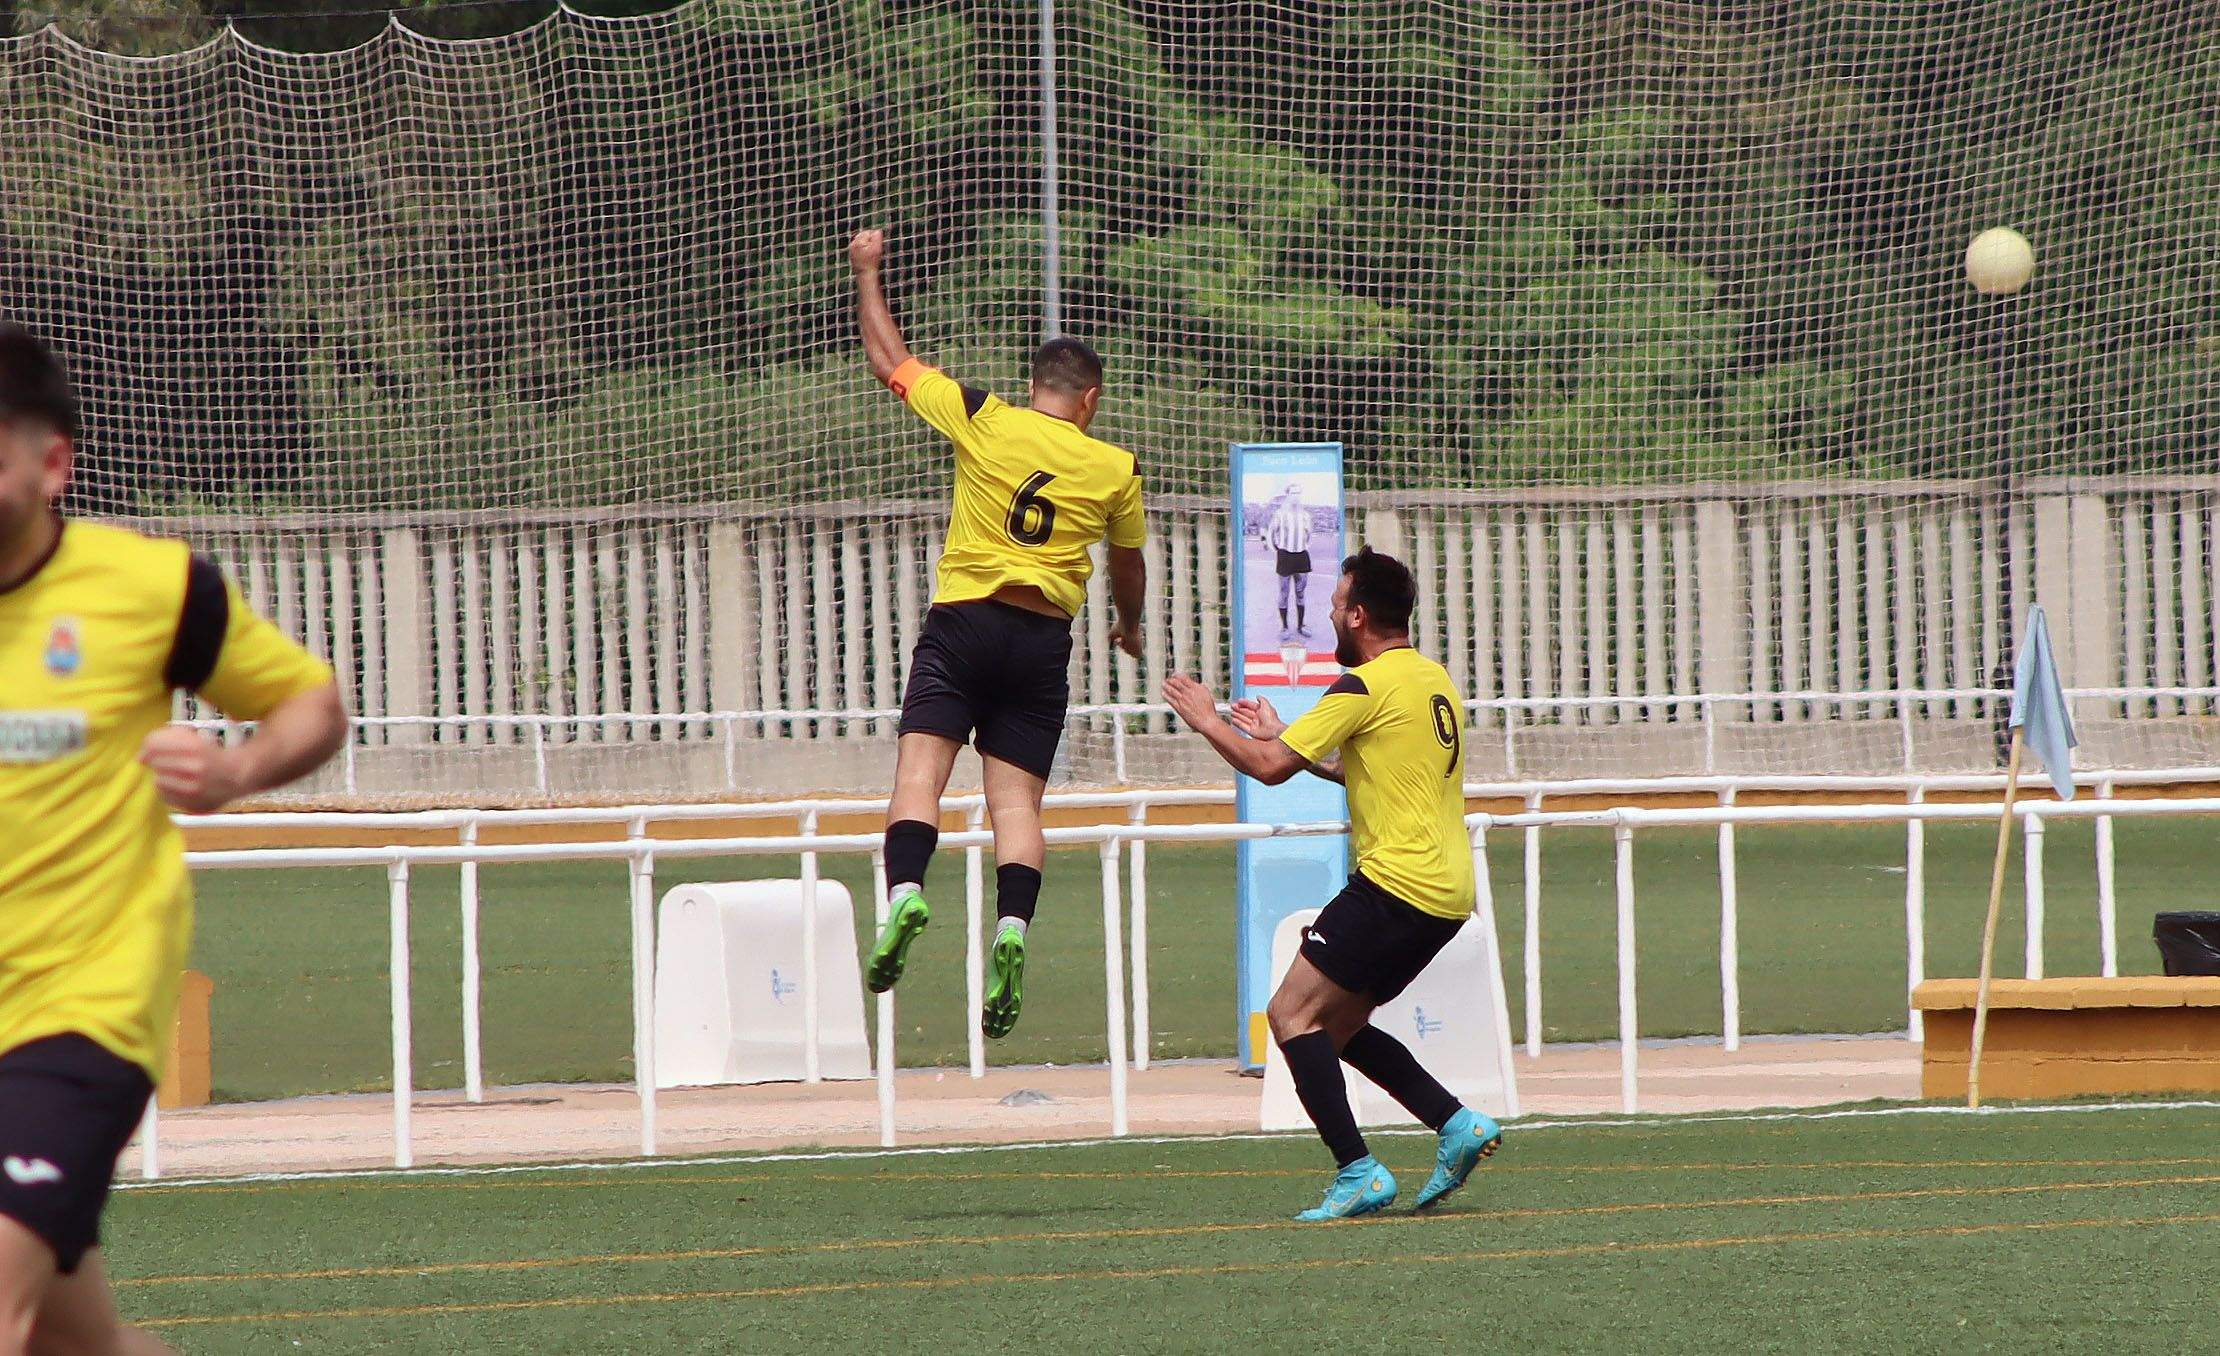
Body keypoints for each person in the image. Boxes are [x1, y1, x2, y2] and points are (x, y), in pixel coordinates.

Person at [0, 324, 348, 1353]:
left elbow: (311, 702)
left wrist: (237, 770)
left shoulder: (155, 590)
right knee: (82, 1343)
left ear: (52, 461)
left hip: (82, 1007)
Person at [847, 228, 1147, 1040]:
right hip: (1042, 642)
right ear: (1089, 400)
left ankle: (906, 893)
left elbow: (890, 363)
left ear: (1035, 386)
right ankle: (1012, 929)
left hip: (966, 622)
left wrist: (869, 271)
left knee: (920, 777)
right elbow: (1127, 565)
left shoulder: (986, 416)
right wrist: (1129, 626)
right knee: (1016, 803)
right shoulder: (1115, 467)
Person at [1163, 546, 1501, 1220]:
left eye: (1335, 606)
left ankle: (1359, 1172)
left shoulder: (1361, 685)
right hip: (1447, 894)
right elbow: (1366, 771)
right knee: (1338, 1026)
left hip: (1395, 884)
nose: (1327, 616)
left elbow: (1266, 768)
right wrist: (1290, 733)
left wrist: (1203, 718)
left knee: (1290, 1015)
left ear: (1357, 615)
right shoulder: (1430, 679)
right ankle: (1455, 1123)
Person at [1267, 483, 1314, 640]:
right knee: (1284, 592)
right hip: (1285, 556)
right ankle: (1285, 627)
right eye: (1293, 493)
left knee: (1300, 592)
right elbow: (1271, 533)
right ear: (1287, 495)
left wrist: (1304, 547)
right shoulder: (1280, 514)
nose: (1295, 497)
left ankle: (1301, 626)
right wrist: (1277, 550)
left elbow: (1309, 536)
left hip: (1301, 556)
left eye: (1298, 493)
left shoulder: (1306, 516)